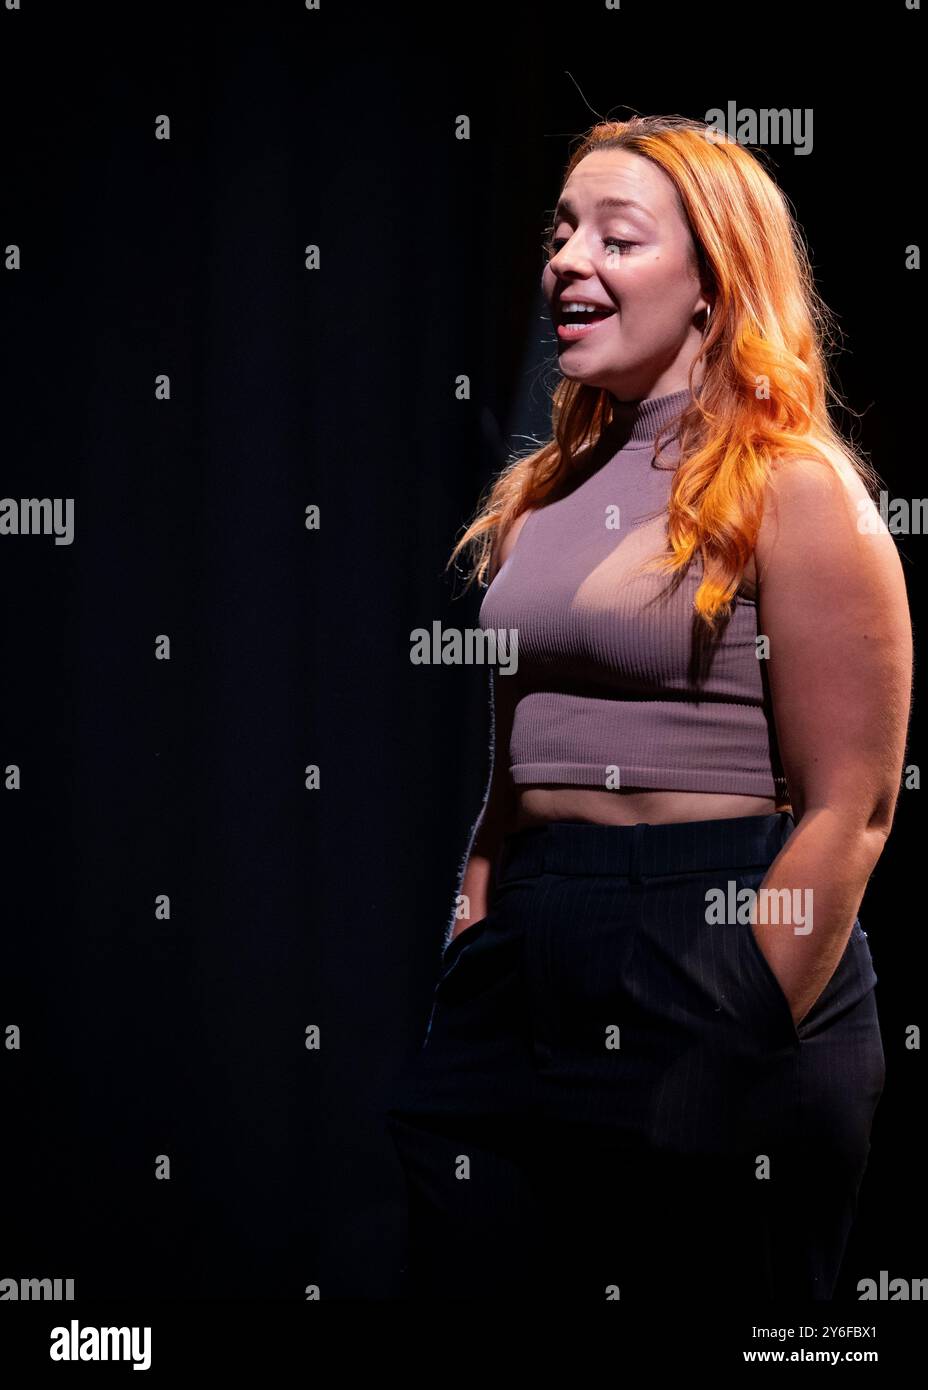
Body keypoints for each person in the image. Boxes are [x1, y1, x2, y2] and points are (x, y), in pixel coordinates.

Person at [384, 114, 912, 1301]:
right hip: (528, 939)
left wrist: (750, 999)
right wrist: (478, 920)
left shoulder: (795, 482)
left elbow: (854, 804)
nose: (567, 260)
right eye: (561, 232)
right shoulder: (541, 492)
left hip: (707, 924)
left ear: (713, 290)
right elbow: (509, 765)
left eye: (614, 239)